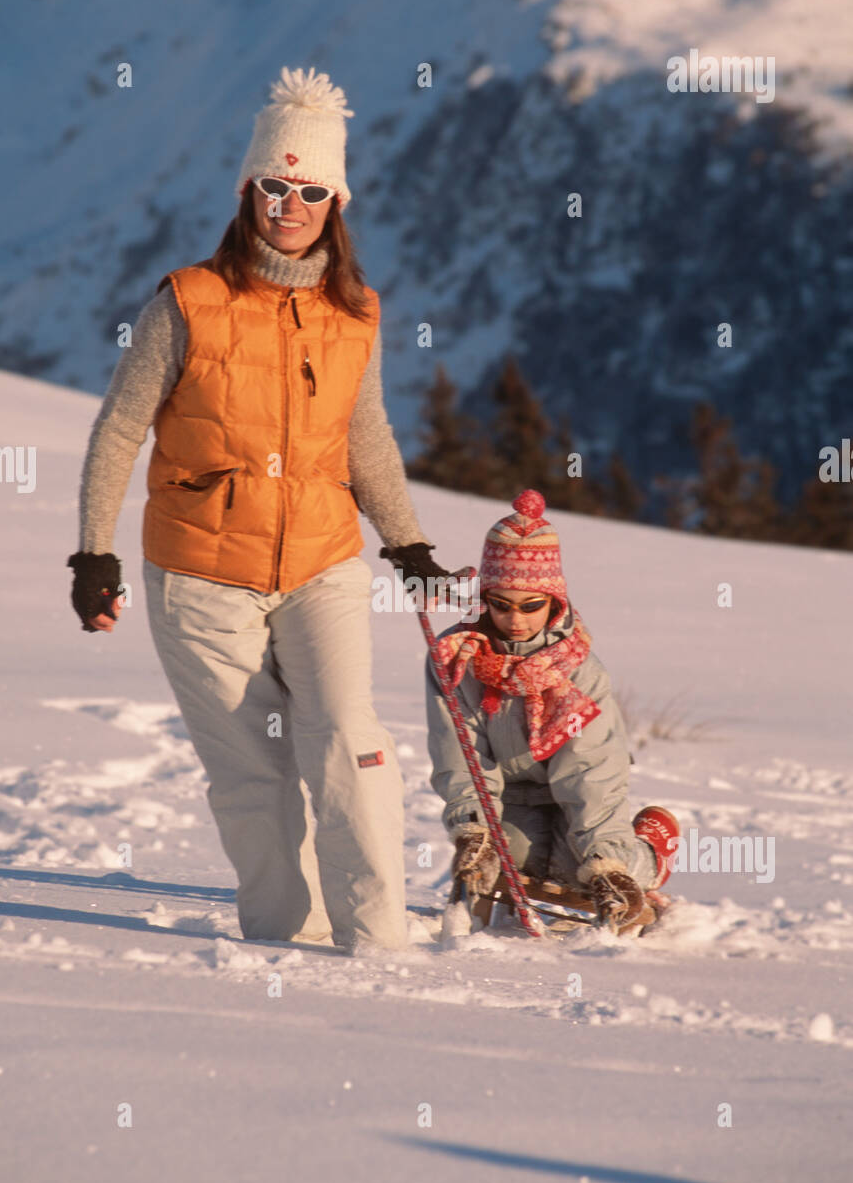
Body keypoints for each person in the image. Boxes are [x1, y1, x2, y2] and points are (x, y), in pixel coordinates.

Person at [68, 65, 454, 953]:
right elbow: (119, 429)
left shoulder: (354, 313)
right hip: (200, 571)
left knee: (349, 741)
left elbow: (368, 439)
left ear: (335, 201)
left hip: (321, 559)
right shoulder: (188, 300)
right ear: (248, 191)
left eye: (310, 188)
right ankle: (288, 944)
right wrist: (96, 555)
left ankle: (381, 940)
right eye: (275, 185)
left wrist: (409, 541)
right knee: (252, 772)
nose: (291, 202)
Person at [425, 490, 679, 935]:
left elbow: (590, 772)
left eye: (530, 606)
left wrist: (607, 862)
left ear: (554, 602)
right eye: (500, 604)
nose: (515, 620)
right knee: (508, 862)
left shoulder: (581, 670)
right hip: (509, 801)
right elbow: (460, 756)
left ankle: (650, 854)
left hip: (575, 801)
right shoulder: (456, 659)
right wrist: (474, 832)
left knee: (583, 868)